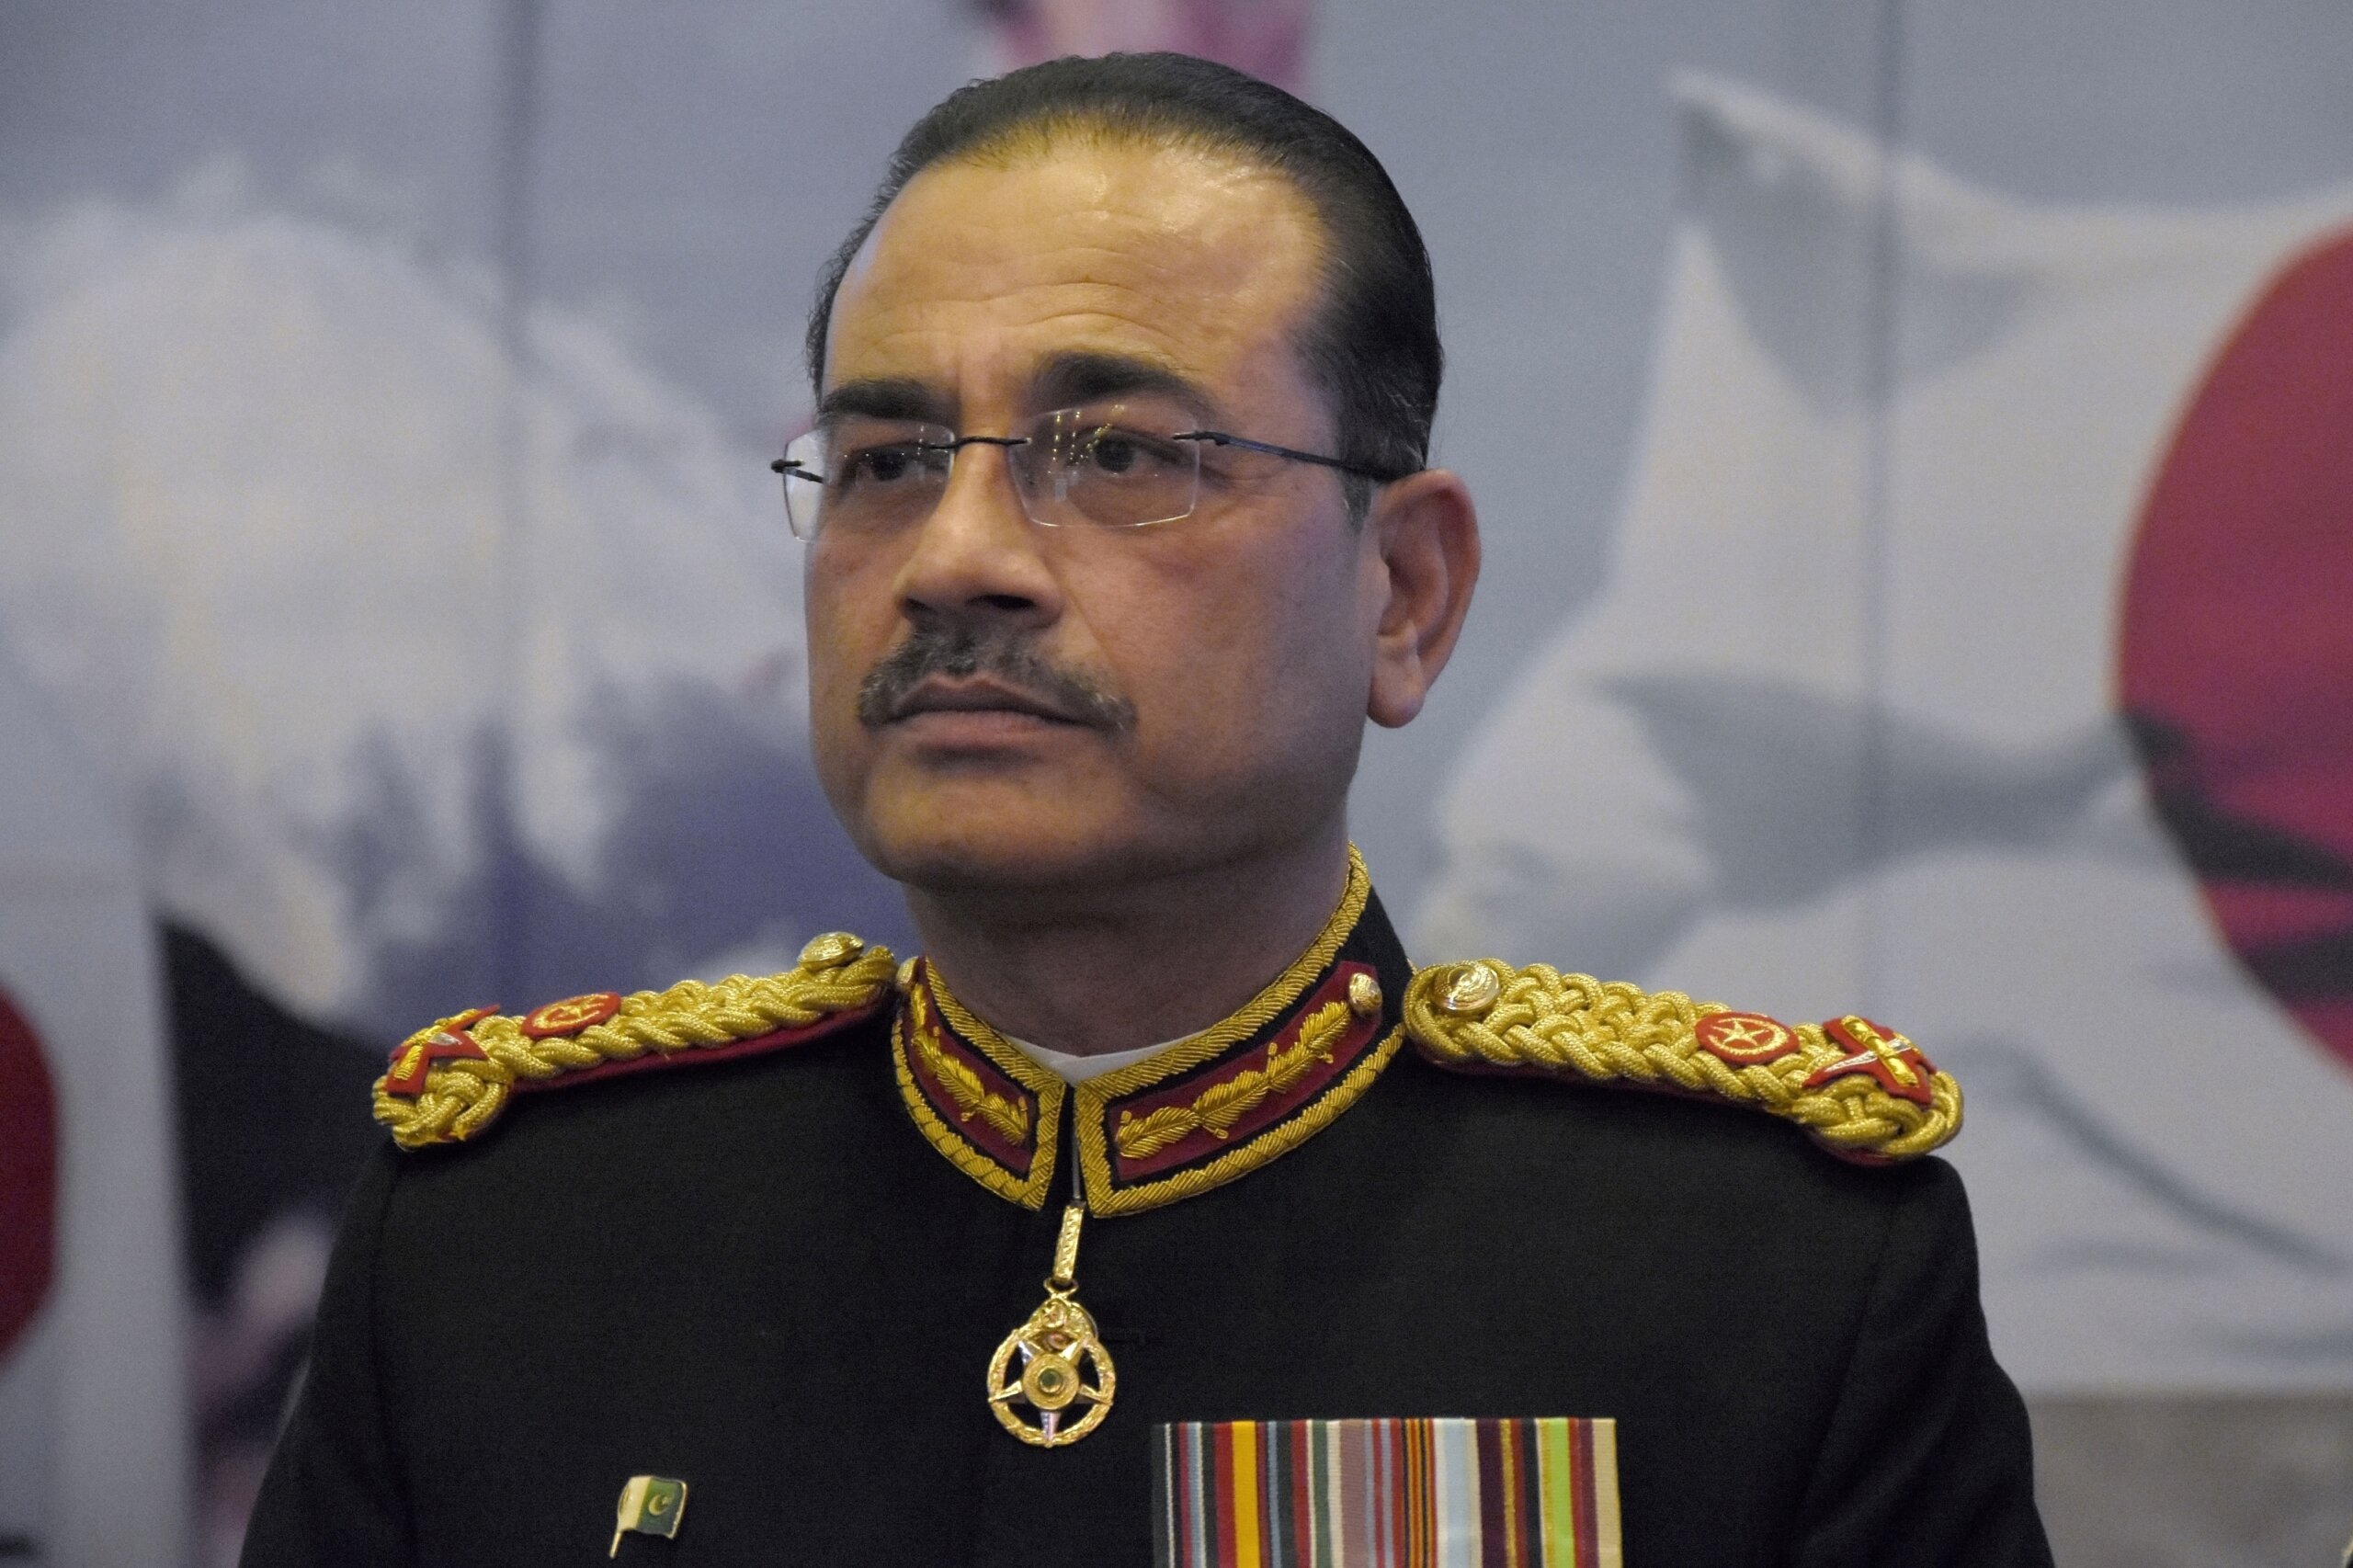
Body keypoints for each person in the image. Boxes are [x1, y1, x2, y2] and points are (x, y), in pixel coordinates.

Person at [243, 52, 2051, 1567]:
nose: (952, 557)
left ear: (1405, 593)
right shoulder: (506, 1246)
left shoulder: (1763, 1280)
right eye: (883, 462)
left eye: (1116, 453)